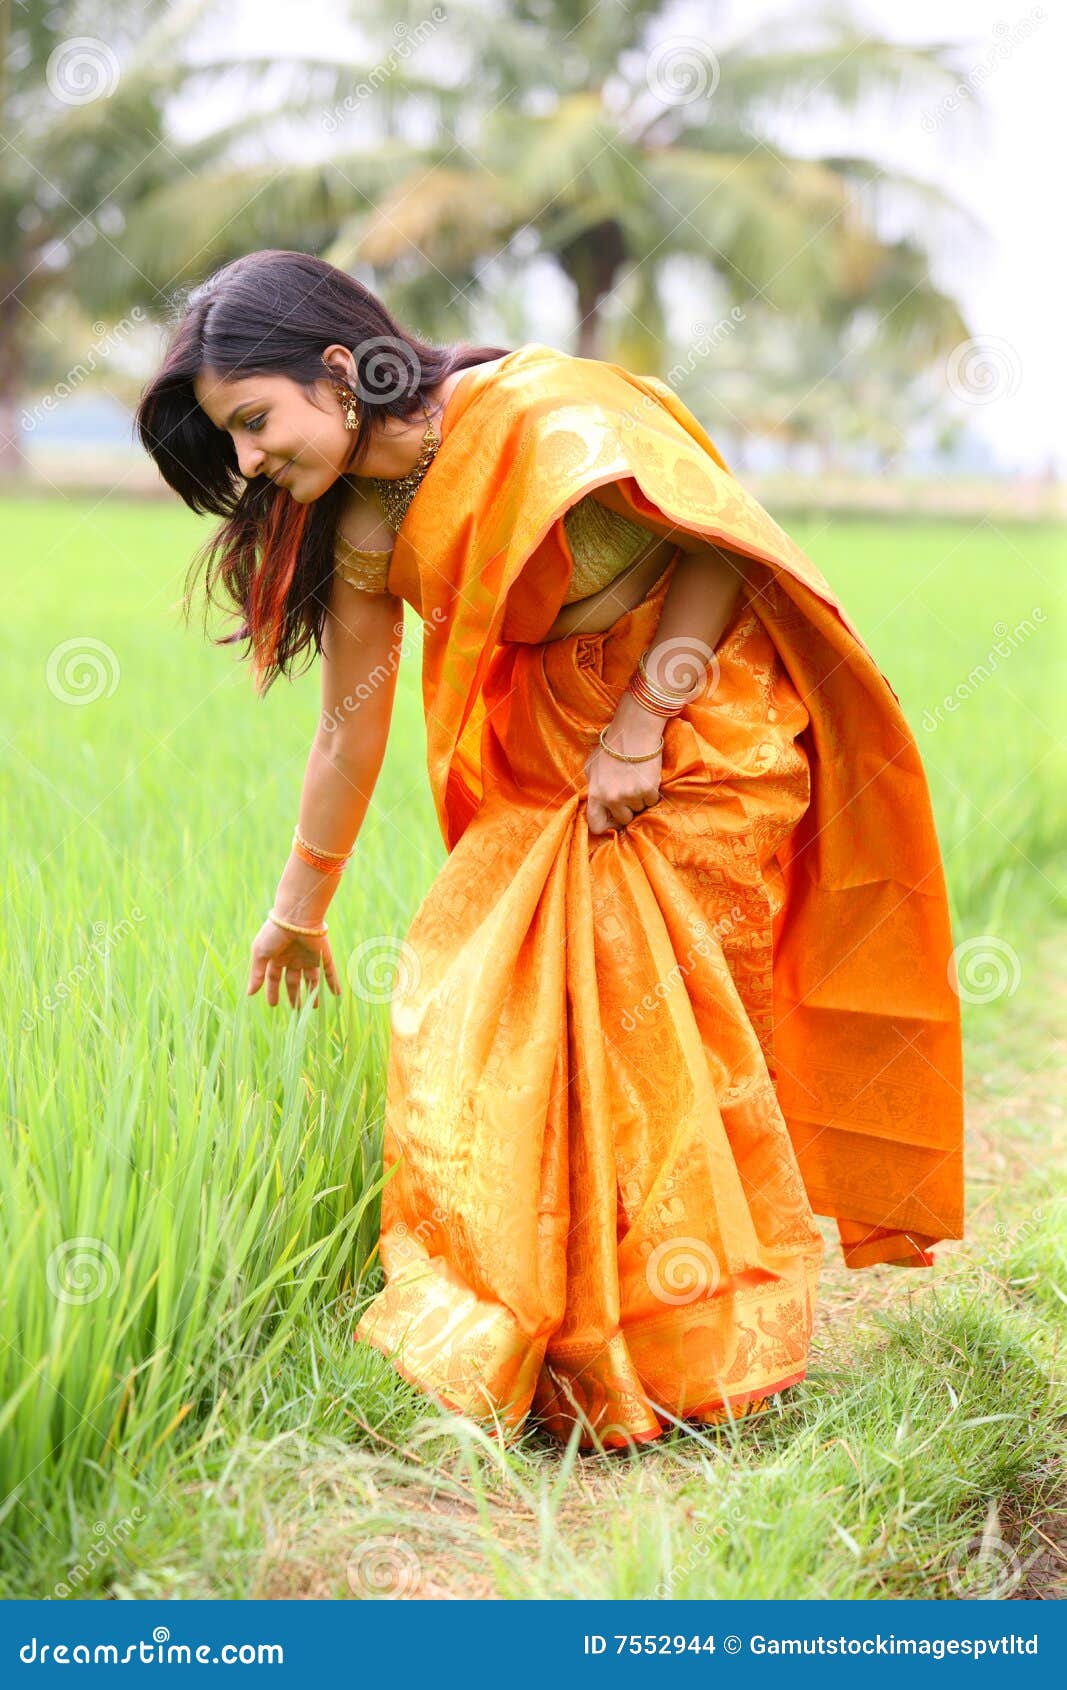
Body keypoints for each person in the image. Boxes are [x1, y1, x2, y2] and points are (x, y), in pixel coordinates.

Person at [136, 248, 964, 1452]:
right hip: (547, 767)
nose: (254, 462)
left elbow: (714, 547)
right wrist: (296, 908)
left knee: (657, 1037)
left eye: (256, 425)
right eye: (236, 443)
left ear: (334, 367)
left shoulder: (544, 412)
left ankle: (703, 1350)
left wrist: (639, 726)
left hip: (695, 736)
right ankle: (558, 1342)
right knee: (468, 1009)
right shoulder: (362, 518)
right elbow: (347, 726)